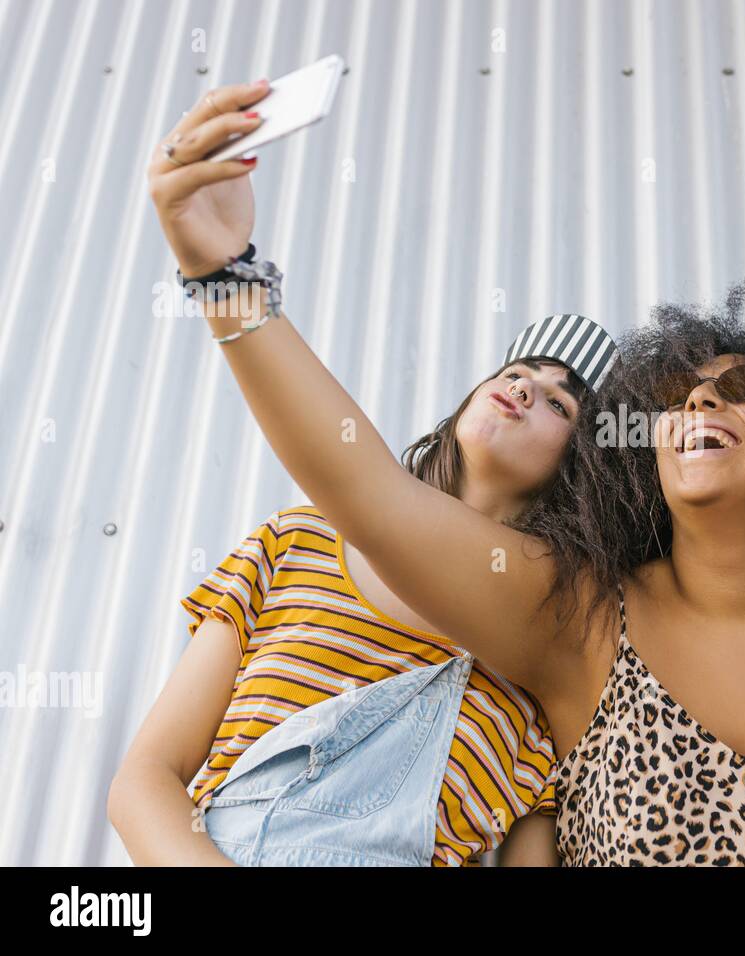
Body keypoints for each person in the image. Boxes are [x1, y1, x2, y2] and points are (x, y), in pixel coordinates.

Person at [140, 81, 745, 864]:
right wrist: (229, 278)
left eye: (742, 390)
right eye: (674, 399)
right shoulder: (582, 617)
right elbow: (372, 499)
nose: (700, 408)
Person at [110, 309, 617, 866]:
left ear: (581, 468)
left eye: (558, 402)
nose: (524, 388)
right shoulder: (295, 542)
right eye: (518, 371)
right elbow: (145, 781)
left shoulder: (548, 666)